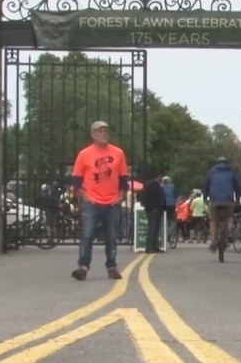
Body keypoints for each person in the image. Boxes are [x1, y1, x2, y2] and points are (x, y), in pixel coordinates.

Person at [69, 120, 129, 281]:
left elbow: (124, 177)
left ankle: (112, 266)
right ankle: (83, 266)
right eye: (99, 131)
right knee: (88, 234)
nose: (103, 134)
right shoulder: (84, 154)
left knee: (111, 235)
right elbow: (76, 179)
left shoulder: (118, 153)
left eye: (105, 131)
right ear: (93, 135)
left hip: (112, 201)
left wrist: (121, 196)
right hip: (92, 201)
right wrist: (85, 196)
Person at [203, 157, 241, 251]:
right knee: (229, 217)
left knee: (213, 220)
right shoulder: (231, 172)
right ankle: (230, 233)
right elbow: (237, 187)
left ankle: (213, 241)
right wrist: (238, 198)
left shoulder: (211, 172)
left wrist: (205, 197)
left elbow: (206, 186)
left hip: (214, 200)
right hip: (228, 200)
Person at [140, 172, 167, 253]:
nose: (161, 178)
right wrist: (152, 207)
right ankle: (149, 247)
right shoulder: (150, 185)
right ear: (158, 176)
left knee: (156, 228)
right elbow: (147, 197)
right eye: (160, 176)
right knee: (152, 228)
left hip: (158, 209)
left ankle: (154, 246)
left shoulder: (157, 185)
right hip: (153, 209)